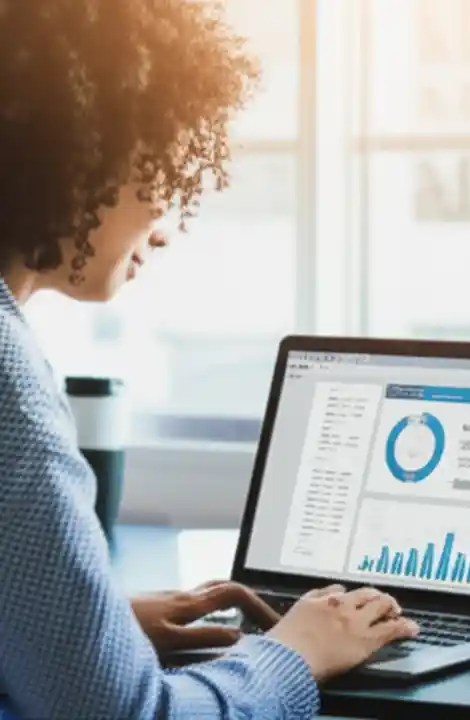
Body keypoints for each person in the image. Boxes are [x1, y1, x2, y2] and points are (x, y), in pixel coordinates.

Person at [0, 3, 420, 718]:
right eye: (159, 164)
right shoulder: (10, 386)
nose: (167, 225)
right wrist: (296, 652)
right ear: (80, 147)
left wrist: (85, 632)